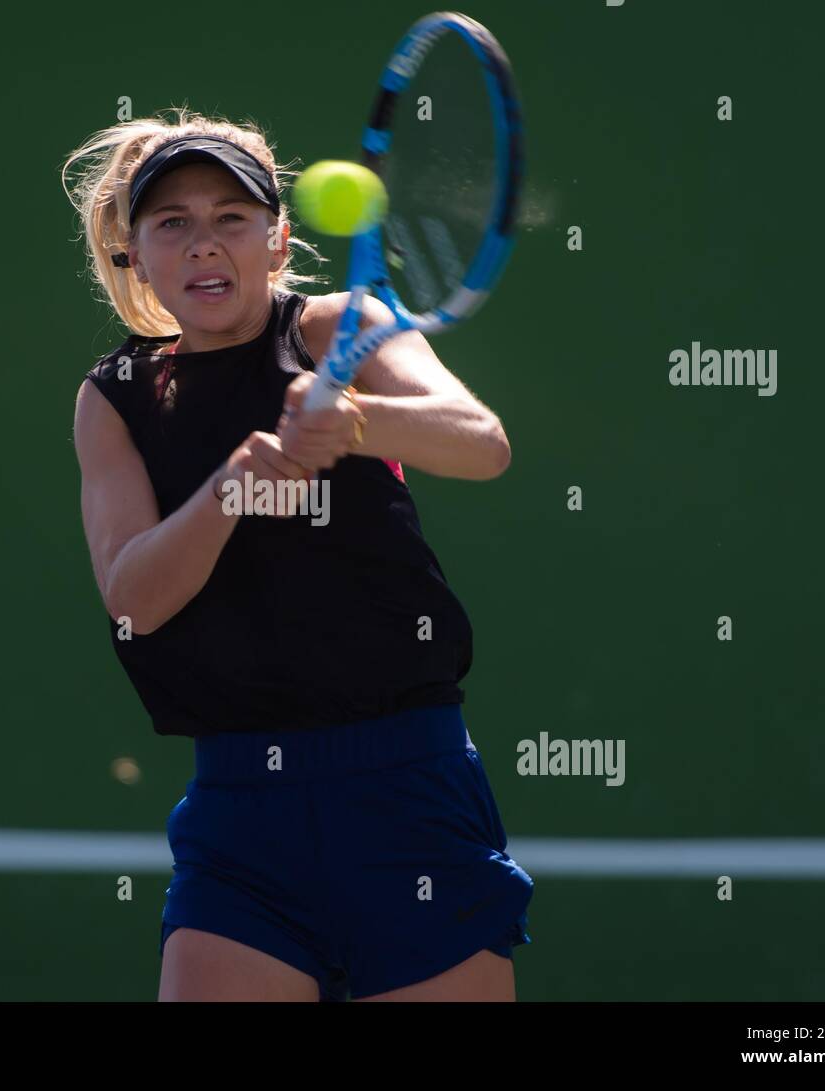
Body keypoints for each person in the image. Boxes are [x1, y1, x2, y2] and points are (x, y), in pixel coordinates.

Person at [64, 107, 533, 1001]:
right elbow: (133, 599)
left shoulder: (337, 326)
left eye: (230, 219)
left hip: (409, 792)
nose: (204, 244)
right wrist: (234, 485)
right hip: (243, 817)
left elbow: (482, 442)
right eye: (174, 224)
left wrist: (356, 420)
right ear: (136, 253)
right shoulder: (115, 397)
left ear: (277, 241)